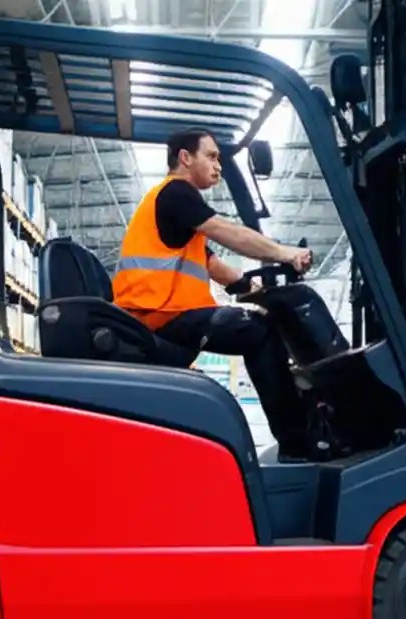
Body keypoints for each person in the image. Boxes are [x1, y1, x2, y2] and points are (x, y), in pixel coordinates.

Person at [112, 127, 315, 459]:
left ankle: (297, 440)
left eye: (220, 159)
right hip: (158, 315)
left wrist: (250, 288)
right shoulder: (177, 192)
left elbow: (210, 263)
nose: (217, 165)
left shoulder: (173, 207)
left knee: (257, 322)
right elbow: (226, 231)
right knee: (259, 334)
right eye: (211, 156)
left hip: (160, 314)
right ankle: (298, 447)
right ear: (185, 158)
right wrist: (284, 253)